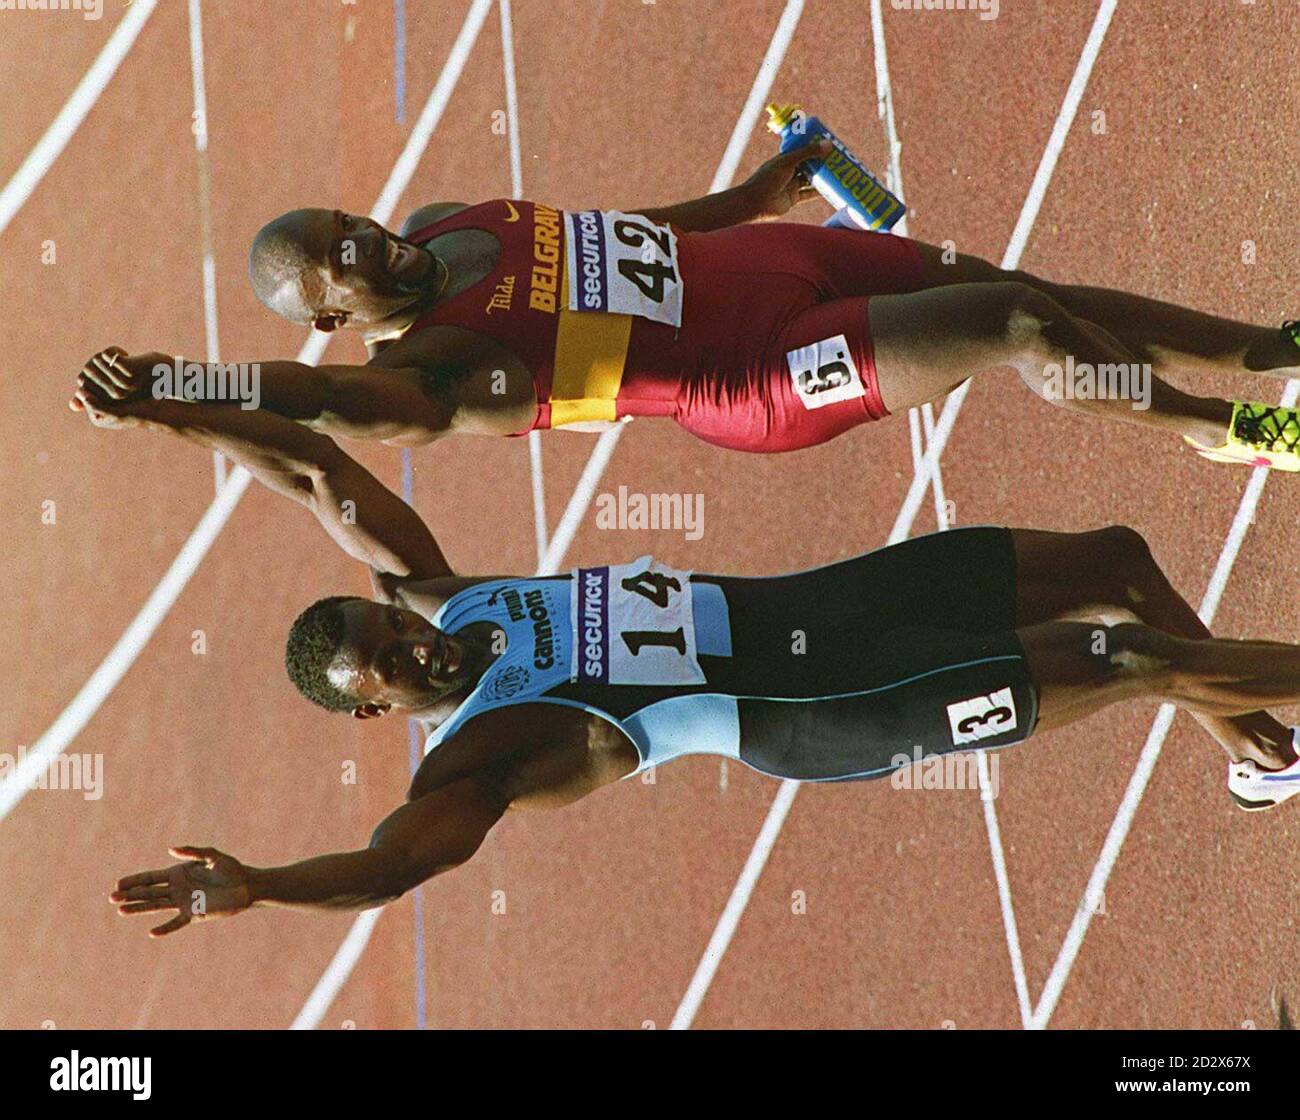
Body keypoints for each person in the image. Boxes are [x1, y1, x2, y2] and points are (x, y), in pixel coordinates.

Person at [70, 359, 1300, 939]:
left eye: (394, 626)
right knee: (1127, 660)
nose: (418, 648)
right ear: (369, 712)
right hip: (830, 712)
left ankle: (1261, 751)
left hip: (835, 603)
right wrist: (264, 884)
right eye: (393, 665)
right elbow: (389, 871)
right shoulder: (476, 756)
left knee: (1117, 557)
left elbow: (316, 464)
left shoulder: (451, 596)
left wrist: (168, 414)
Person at [80, 139, 1300, 465]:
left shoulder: (452, 222)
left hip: (784, 270)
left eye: (343, 223)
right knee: (1016, 333)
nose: (363, 243)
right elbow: (320, 409)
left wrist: (755, 196)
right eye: (338, 266)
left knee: (1023, 288)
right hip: (762, 375)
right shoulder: (430, 373)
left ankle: (1266, 350)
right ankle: (1219, 431)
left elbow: (631, 240)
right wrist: (182, 388)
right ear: (328, 317)